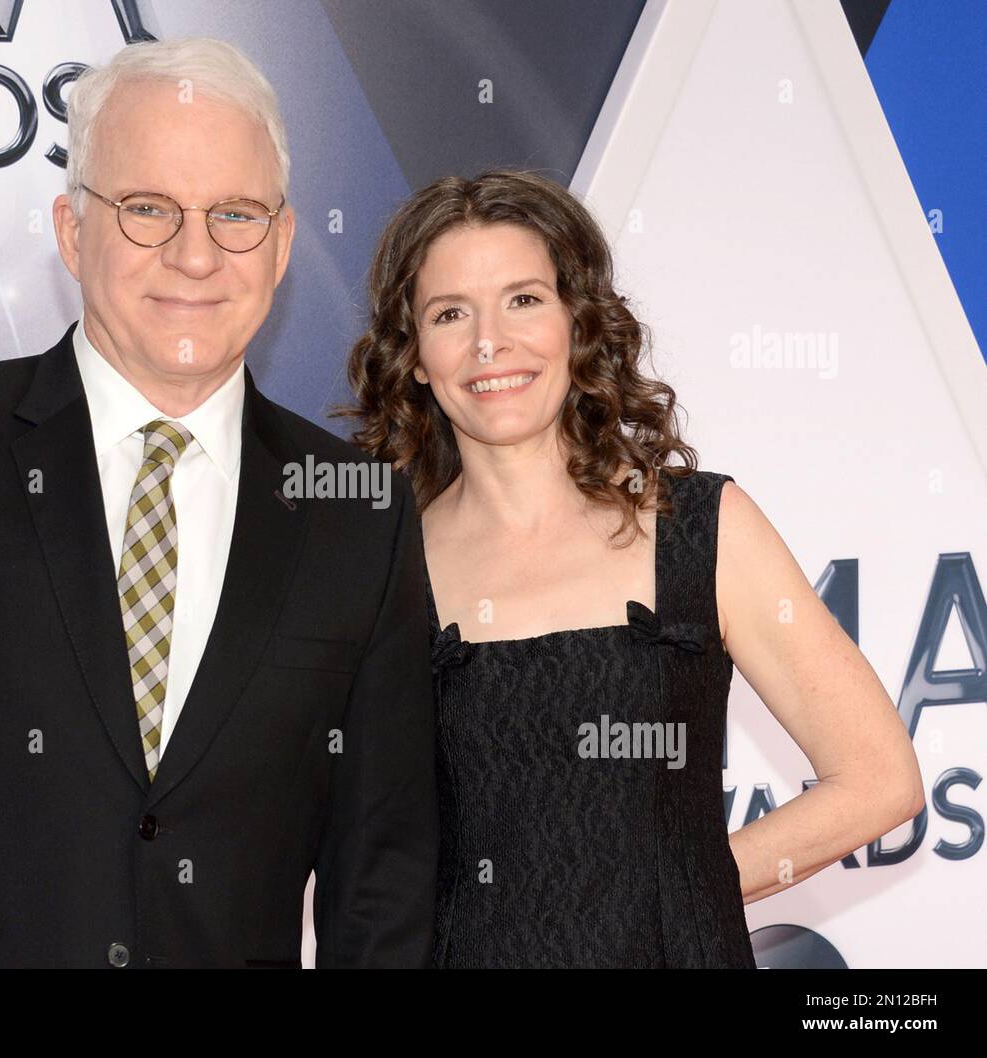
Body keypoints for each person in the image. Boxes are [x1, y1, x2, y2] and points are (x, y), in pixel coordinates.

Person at [0, 37, 437, 969]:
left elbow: (382, 882)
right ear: (73, 229)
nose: (195, 255)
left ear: (281, 246)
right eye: (148, 209)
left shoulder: (359, 511)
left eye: (234, 214)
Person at [342, 168, 925, 968]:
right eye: (450, 314)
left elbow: (879, 780)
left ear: (577, 322)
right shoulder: (379, 570)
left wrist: (678, 891)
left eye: (523, 299)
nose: (489, 343)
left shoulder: (700, 528)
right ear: (413, 356)